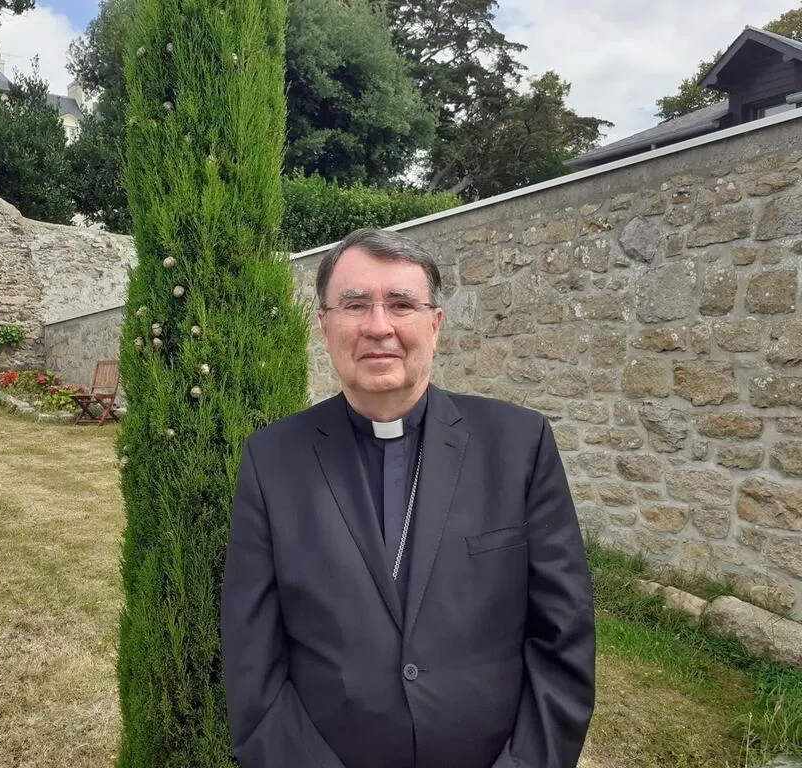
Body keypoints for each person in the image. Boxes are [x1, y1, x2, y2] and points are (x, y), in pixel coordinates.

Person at [220, 227, 595, 768]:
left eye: (401, 304)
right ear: (324, 327)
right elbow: (253, 657)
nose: (379, 326)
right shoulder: (272, 459)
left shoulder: (518, 444)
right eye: (355, 305)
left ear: (435, 325)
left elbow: (563, 639)